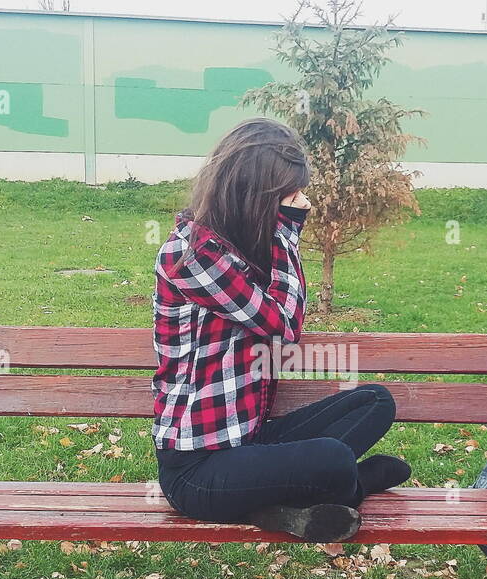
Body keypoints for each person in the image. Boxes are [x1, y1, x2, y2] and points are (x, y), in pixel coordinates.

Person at [151, 118, 411, 543]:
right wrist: (287, 230)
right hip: (197, 468)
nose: (299, 203)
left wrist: (278, 230)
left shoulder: (240, 245)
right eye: (287, 196)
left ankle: (276, 504)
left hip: (247, 439)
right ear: (251, 194)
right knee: (334, 459)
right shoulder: (191, 254)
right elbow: (284, 325)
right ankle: (352, 486)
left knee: (373, 402)